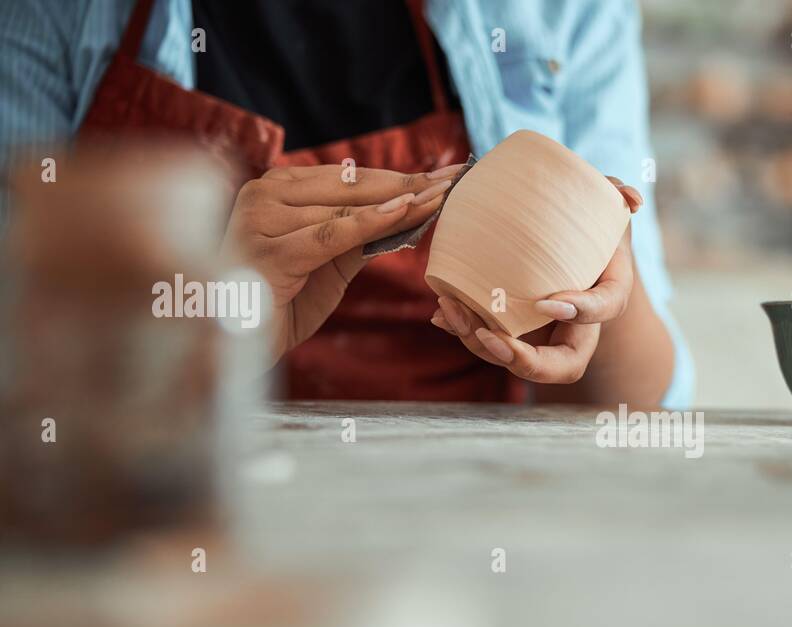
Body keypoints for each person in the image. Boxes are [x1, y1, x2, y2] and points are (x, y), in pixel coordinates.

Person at [0, 0, 693, 407]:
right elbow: (27, 402)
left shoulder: (564, 12)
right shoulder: (48, 17)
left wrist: (594, 303)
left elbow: (648, 403)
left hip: (485, 519)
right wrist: (208, 330)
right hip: (186, 511)